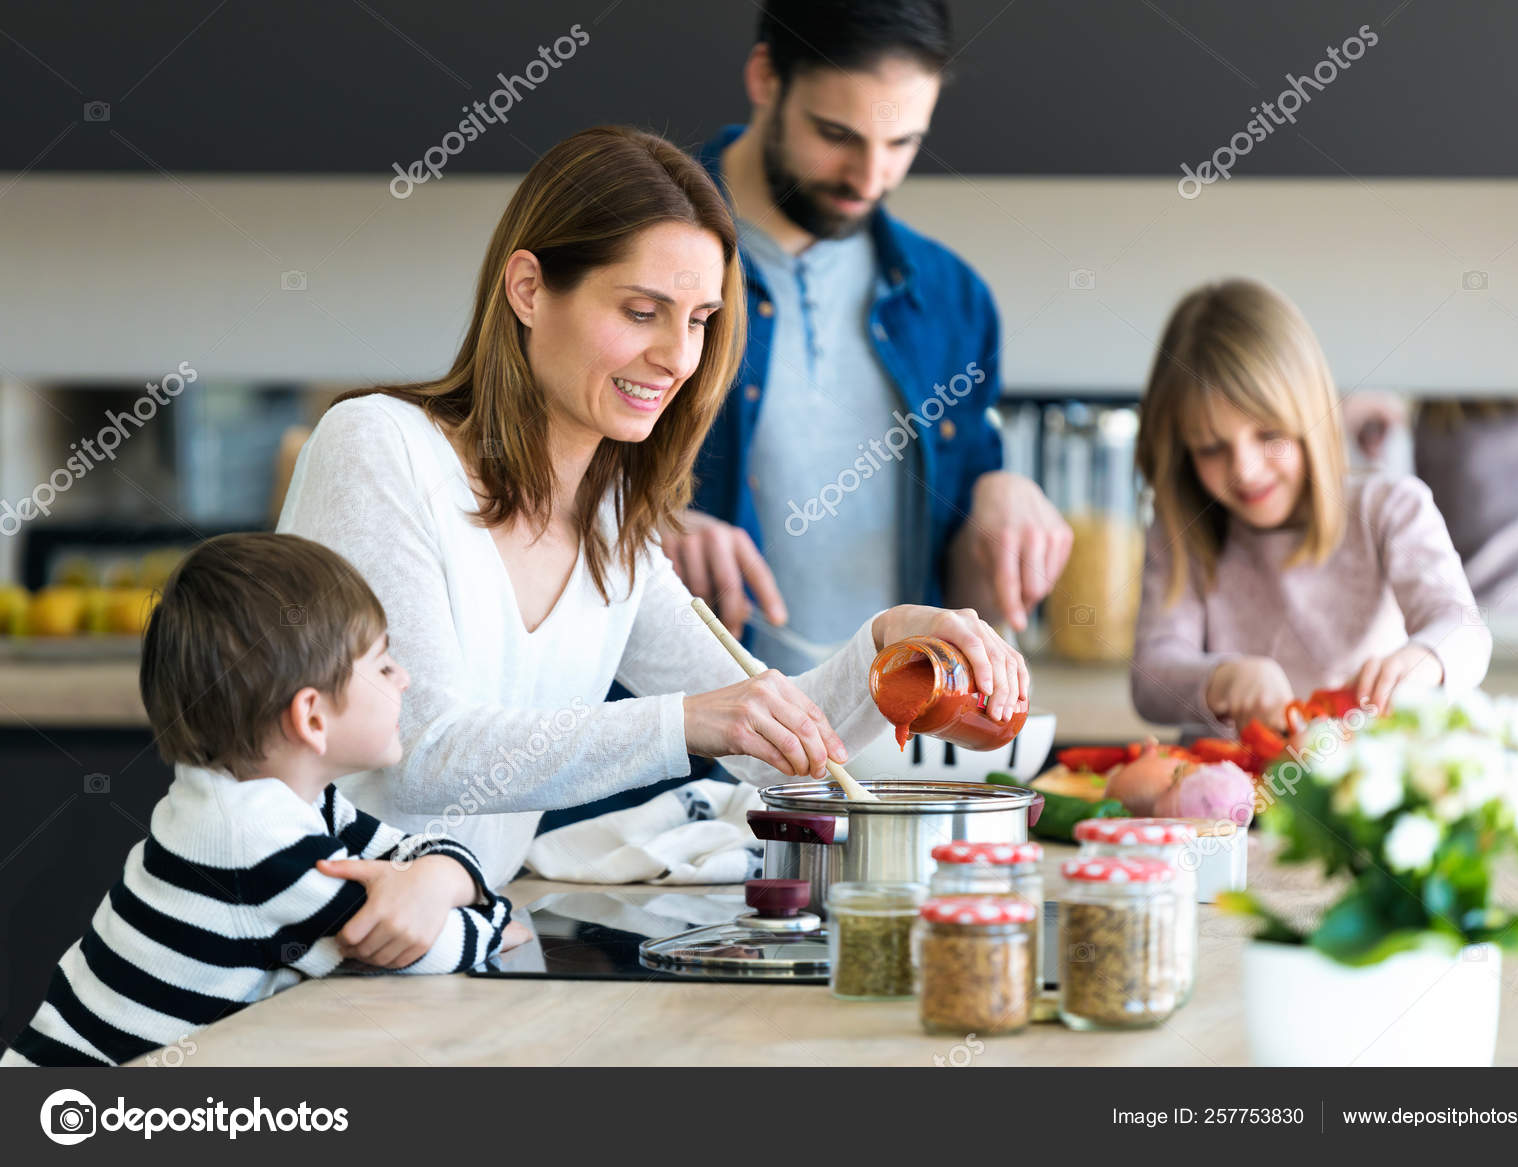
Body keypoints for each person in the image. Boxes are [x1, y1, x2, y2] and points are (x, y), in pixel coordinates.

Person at [276, 126, 1027, 890]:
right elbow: (414, 750)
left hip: (444, 945)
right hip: (285, 957)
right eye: (643, 311)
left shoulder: (611, 522)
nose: (678, 356)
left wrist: (889, 641)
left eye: (699, 319)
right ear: (528, 289)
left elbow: (758, 739)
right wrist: (684, 722)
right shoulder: (379, 446)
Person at [2, 534, 522, 1068]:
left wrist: (435, 879)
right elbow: (426, 951)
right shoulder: (250, 840)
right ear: (313, 719)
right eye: (384, 663)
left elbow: (416, 851)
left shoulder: (286, 800)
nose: (405, 678)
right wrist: (493, 915)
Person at [663, 0, 1073, 674]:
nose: (870, 177)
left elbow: (972, 600)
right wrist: (637, 532)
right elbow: (526, 497)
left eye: (903, 143)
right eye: (836, 133)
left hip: (887, 757)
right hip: (688, 758)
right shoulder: (634, 250)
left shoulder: (953, 302)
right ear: (767, 77)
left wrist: (999, 495)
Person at [1130, 279, 1492, 735]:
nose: (1244, 468)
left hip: (1358, 784)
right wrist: (1221, 677)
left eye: (1269, 436)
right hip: (1230, 794)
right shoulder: (1182, 526)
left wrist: (1421, 661)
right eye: (1210, 448)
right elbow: (1150, 677)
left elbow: (1464, 628)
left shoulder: (1390, 508)